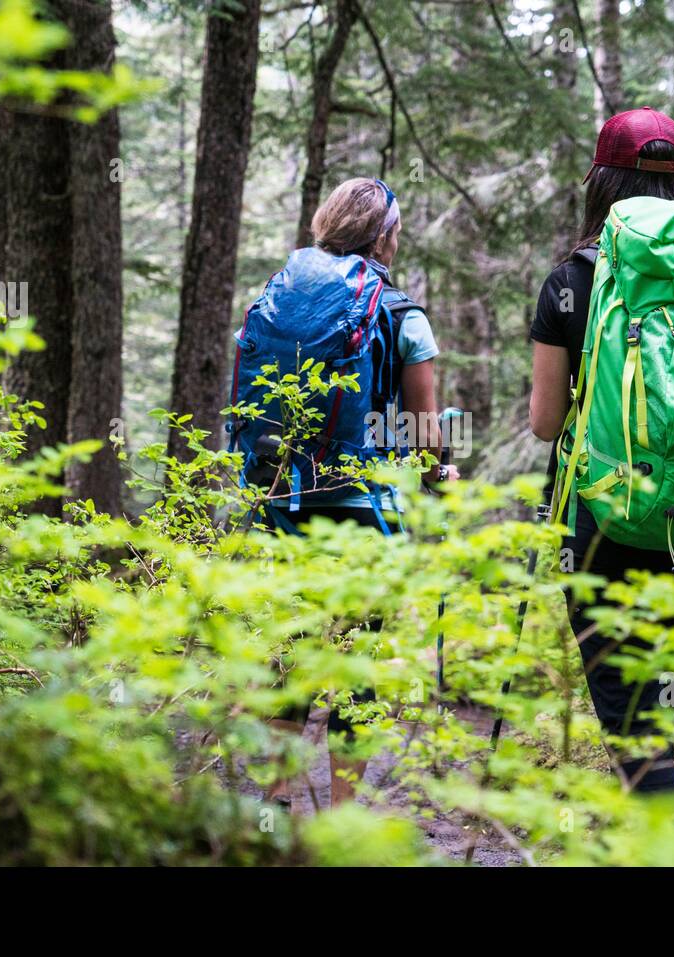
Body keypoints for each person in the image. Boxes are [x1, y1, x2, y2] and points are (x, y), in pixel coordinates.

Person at [528, 108, 674, 794]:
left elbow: (546, 424)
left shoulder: (571, 281)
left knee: (631, 723)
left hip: (608, 522)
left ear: (600, 183)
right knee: (656, 705)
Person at [261, 177, 459, 807]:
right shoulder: (402, 314)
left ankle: (275, 804)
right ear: (386, 236)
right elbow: (425, 435)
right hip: (363, 511)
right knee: (357, 667)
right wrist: (440, 476)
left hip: (284, 503)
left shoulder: (279, 296)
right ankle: (341, 824)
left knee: (291, 654)